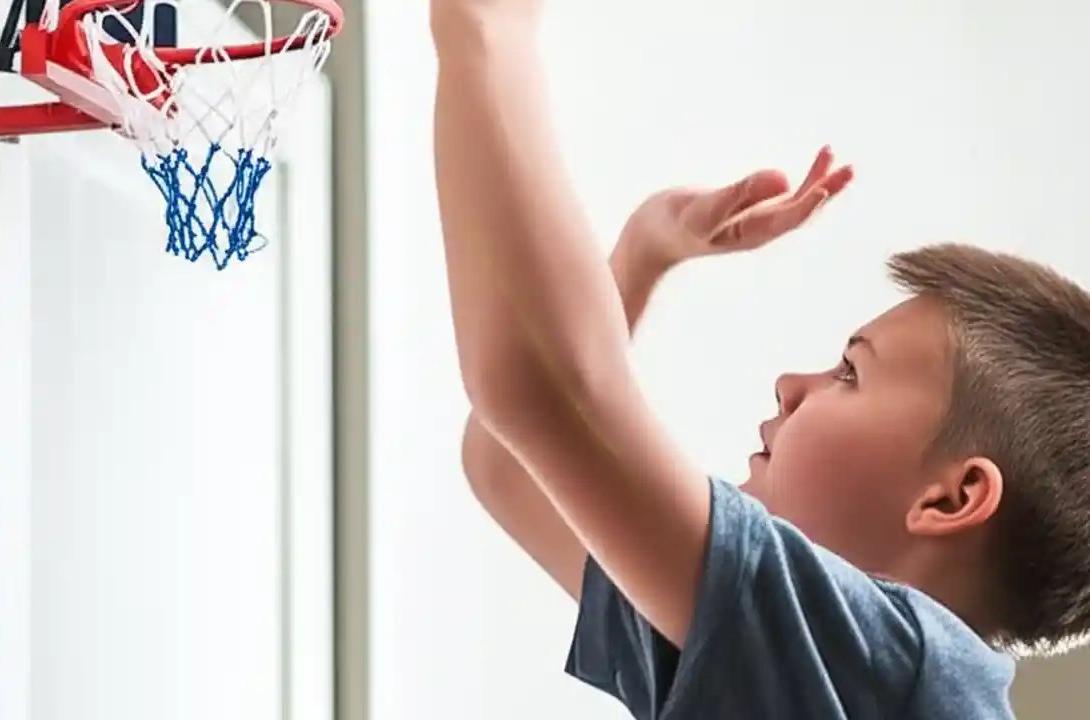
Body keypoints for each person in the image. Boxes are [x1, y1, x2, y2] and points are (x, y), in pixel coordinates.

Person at [431, 1, 1090, 718]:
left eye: (850, 373)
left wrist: (488, 31)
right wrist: (641, 257)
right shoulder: (804, 666)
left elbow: (541, 391)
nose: (790, 386)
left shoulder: (907, 675)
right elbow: (510, 464)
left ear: (952, 498)